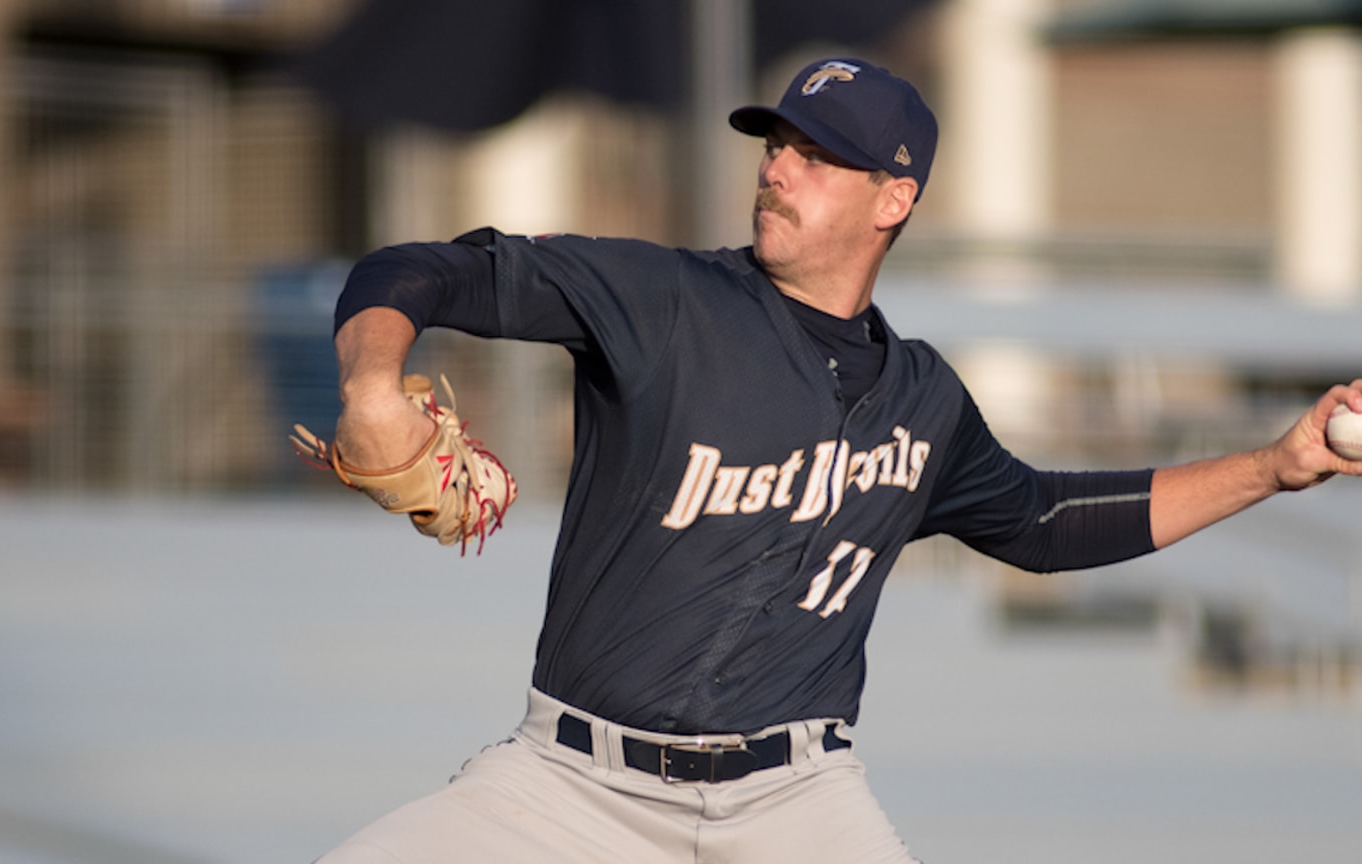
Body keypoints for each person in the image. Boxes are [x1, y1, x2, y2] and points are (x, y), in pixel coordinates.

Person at [311, 58, 1362, 863]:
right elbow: (420, 270)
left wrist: (1274, 467)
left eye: (816, 156)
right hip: (569, 792)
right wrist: (371, 387)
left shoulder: (924, 401)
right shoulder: (662, 301)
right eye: (776, 145)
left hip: (794, 804)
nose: (776, 168)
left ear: (892, 200)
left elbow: (1041, 524)